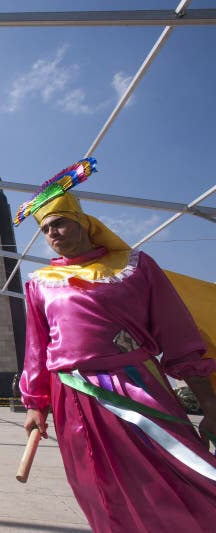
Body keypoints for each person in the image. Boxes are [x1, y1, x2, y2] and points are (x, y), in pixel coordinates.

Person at [16, 159, 216, 532]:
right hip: (72, 395)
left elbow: (180, 336)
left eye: (58, 223)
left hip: (134, 383)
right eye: (45, 229)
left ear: (84, 224)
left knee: (176, 470)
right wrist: (35, 404)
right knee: (96, 483)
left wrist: (210, 404)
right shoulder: (40, 282)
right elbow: (36, 349)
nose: (52, 233)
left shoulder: (135, 266)